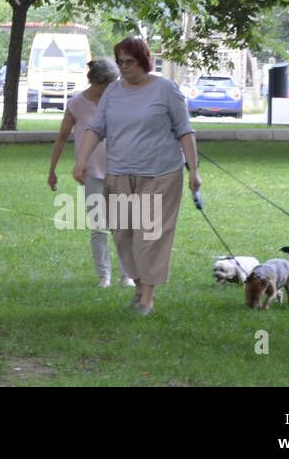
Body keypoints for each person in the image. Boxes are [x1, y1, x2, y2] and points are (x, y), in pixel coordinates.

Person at [74, 36, 200, 316]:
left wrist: (194, 170)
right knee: (123, 235)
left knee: (149, 235)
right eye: (119, 62)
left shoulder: (166, 90)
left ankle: (147, 297)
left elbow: (185, 131)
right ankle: (139, 285)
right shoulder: (113, 92)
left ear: (144, 60)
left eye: (129, 61)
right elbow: (96, 128)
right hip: (118, 172)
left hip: (160, 173)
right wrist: (81, 161)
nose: (124, 67)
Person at [48, 57, 133, 288]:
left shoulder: (119, 101)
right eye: (111, 83)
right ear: (99, 83)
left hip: (120, 170)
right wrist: (52, 170)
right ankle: (103, 276)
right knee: (99, 227)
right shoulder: (76, 104)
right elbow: (62, 137)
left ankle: (127, 275)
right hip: (91, 173)